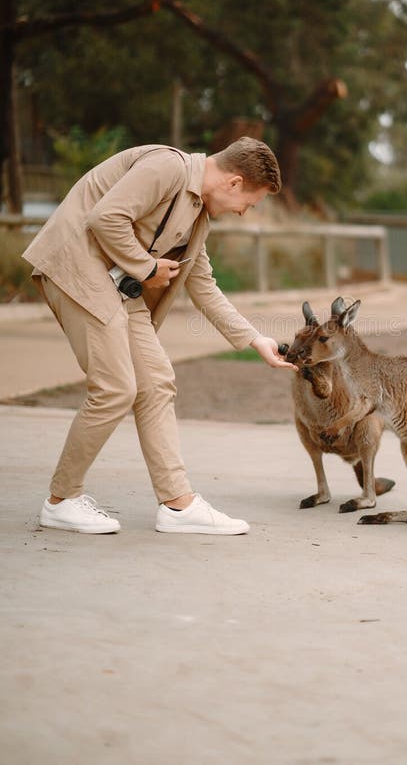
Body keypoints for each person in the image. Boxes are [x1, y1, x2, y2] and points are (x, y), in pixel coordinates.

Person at [23, 137, 296, 536]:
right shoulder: (167, 167)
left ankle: (178, 505)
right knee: (116, 388)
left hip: (117, 285)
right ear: (235, 182)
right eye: (249, 203)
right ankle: (61, 501)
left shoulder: (197, 216)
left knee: (155, 382)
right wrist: (146, 267)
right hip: (76, 269)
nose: (242, 212)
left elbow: (202, 285)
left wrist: (256, 339)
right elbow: (106, 217)